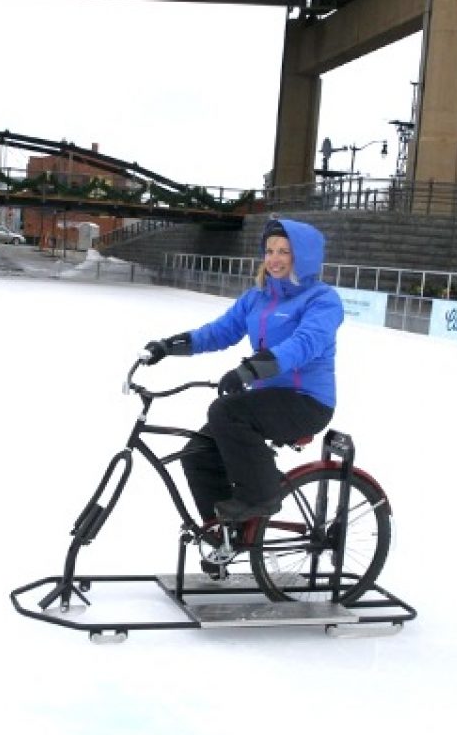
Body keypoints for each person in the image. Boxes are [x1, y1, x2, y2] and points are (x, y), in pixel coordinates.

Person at [143, 218, 344, 525]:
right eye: (269, 251)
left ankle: (261, 496)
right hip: (267, 397)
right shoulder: (257, 297)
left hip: (306, 401)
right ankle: (221, 534)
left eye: (284, 252)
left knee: (226, 411)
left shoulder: (322, 300)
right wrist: (168, 346)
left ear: (301, 257)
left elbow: (304, 344)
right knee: (198, 454)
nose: (274, 259)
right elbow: (220, 332)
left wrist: (251, 370)